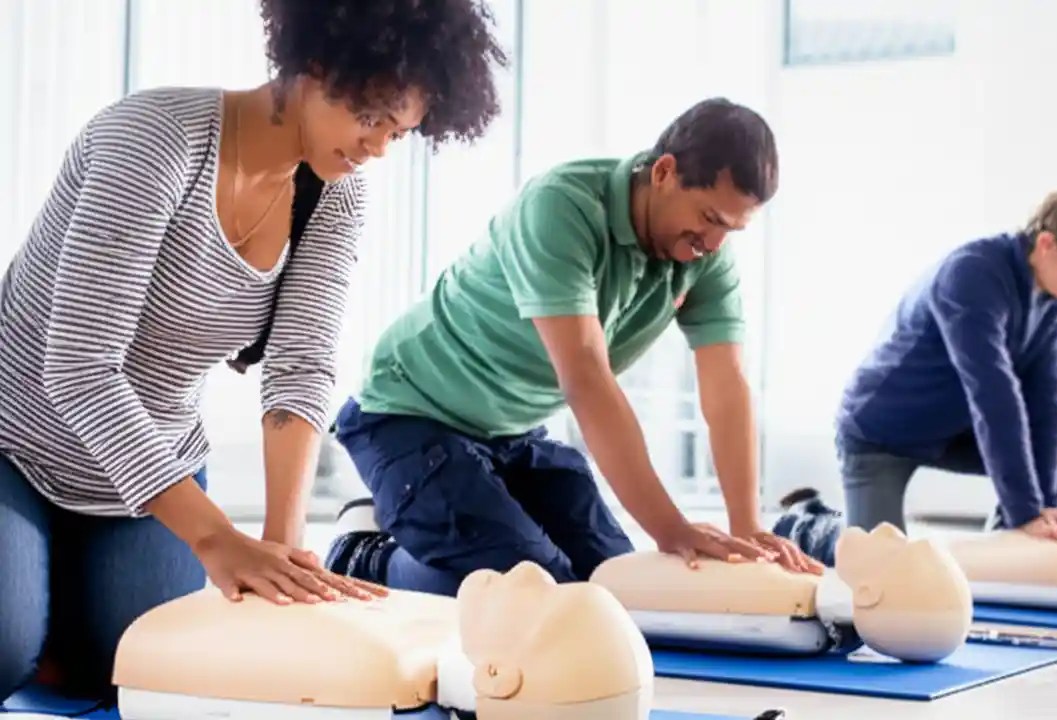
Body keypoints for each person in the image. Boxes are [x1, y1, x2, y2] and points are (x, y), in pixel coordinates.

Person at [0, 0, 506, 700]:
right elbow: (81, 367)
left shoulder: (334, 193)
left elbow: (299, 368)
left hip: (144, 472)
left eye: (399, 131)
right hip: (16, 442)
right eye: (371, 117)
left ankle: (58, 616)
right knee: (4, 647)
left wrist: (280, 549)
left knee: (153, 669)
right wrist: (215, 539)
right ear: (317, 67)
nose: (378, 147)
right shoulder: (154, 140)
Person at [324, 97, 821, 597]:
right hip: (410, 415)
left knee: (614, 586)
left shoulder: (704, 254)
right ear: (665, 172)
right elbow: (586, 377)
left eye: (730, 230)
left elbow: (726, 386)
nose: (713, 243)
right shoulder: (561, 207)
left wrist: (746, 524)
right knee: (540, 591)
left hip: (512, 433)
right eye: (709, 217)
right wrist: (671, 528)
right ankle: (364, 555)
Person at [775, 188, 1057, 566]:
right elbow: (992, 393)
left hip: (952, 431)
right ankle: (806, 524)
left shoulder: (1052, 305)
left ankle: (1007, 546)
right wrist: (1026, 511)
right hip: (881, 432)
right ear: (1048, 244)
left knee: (1048, 464)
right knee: (879, 564)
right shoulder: (973, 274)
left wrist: (1049, 510)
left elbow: (1048, 408)